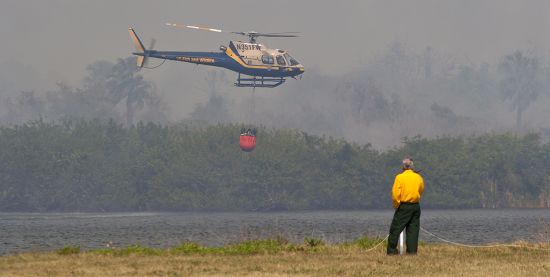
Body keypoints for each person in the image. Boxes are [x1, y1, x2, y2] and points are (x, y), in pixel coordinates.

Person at [387, 158, 424, 255]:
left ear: (403, 167)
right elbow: (421, 190)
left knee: (395, 228)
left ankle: (392, 250)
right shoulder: (418, 177)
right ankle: (412, 251)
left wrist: (396, 205)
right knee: (413, 229)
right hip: (415, 206)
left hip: (404, 205)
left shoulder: (399, 177)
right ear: (412, 166)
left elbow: (395, 194)